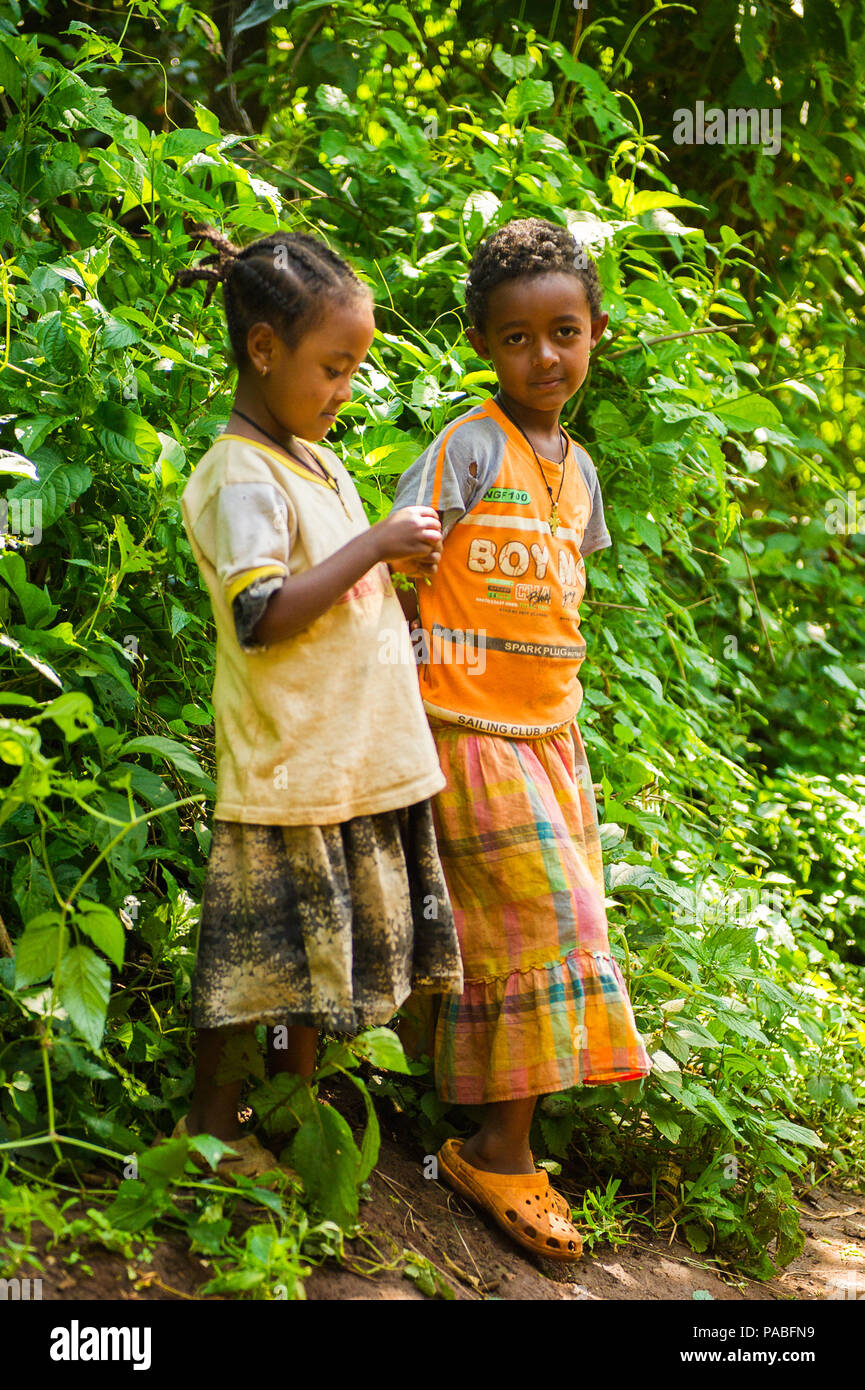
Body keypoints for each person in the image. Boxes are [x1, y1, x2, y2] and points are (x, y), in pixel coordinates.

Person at [169, 225, 464, 1177]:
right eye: (333, 368)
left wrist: (395, 567)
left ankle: (293, 1122)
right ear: (264, 349)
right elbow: (261, 612)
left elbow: (339, 591)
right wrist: (373, 547)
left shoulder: (318, 462)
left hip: (348, 766)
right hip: (287, 770)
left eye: (355, 369)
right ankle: (208, 1135)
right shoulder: (237, 474)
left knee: (314, 974)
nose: (346, 390)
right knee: (252, 971)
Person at [392, 218, 651, 1261]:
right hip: (464, 729)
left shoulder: (577, 471)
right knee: (556, 917)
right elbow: (401, 558)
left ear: (594, 332)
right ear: (481, 345)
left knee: (510, 935)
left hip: (552, 733)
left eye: (562, 332)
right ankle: (500, 1150)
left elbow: (563, 587)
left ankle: (464, 1124)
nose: (542, 357)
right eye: (515, 338)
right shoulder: (467, 444)